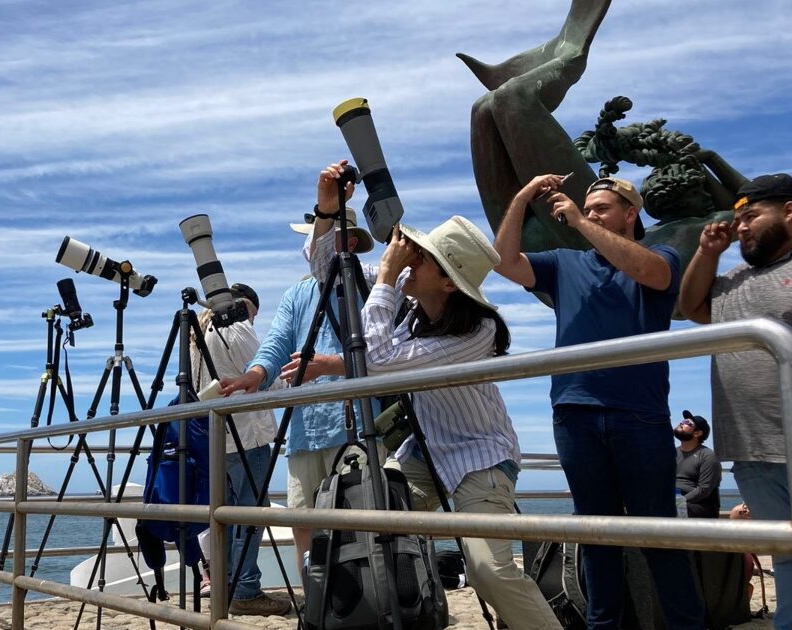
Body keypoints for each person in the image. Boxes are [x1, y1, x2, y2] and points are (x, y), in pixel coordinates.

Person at [301, 188, 562, 627]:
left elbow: (377, 362)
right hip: (424, 455)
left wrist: (386, 276)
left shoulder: (476, 331)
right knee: (362, 527)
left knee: (488, 571)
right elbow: (329, 270)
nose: (409, 260)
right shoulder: (414, 304)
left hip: (480, 459)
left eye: (421, 257)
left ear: (448, 282)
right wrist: (328, 210)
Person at [493, 174, 705, 628]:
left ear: (630, 214)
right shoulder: (563, 263)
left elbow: (652, 274)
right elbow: (504, 262)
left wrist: (579, 222)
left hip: (639, 415)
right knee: (595, 535)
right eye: (587, 209)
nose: (591, 214)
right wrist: (525, 195)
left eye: (601, 208)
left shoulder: (662, 255)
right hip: (575, 413)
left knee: (659, 535)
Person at [219, 167, 382, 573]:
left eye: (320, 237)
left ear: (348, 241)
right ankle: (316, 597)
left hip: (357, 424)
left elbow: (385, 352)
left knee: (360, 523)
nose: (312, 246)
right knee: (303, 521)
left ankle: (363, 598)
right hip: (304, 430)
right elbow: (276, 342)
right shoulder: (297, 293)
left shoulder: (372, 284)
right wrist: (256, 374)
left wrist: (331, 367)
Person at [678, 172, 792, 630]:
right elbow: (692, 307)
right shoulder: (732, 280)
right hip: (752, 451)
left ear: (789, 210)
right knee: (786, 555)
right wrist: (707, 252)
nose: (742, 227)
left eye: (752, 215)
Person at [189, 284, 290, 616]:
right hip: (248, 436)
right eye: (254, 315)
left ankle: (225, 584)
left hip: (215, 439)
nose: (253, 321)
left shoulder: (198, 334)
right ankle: (245, 589)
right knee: (251, 514)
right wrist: (295, 377)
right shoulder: (236, 326)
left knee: (226, 516)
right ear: (247, 306)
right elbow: (262, 375)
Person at [673, 410, 721, 519]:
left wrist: (679, 501)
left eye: (687, 423)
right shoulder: (671, 453)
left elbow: (703, 490)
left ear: (697, 433)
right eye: (683, 421)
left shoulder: (708, 456)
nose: (681, 423)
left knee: (670, 509)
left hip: (699, 505)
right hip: (674, 500)